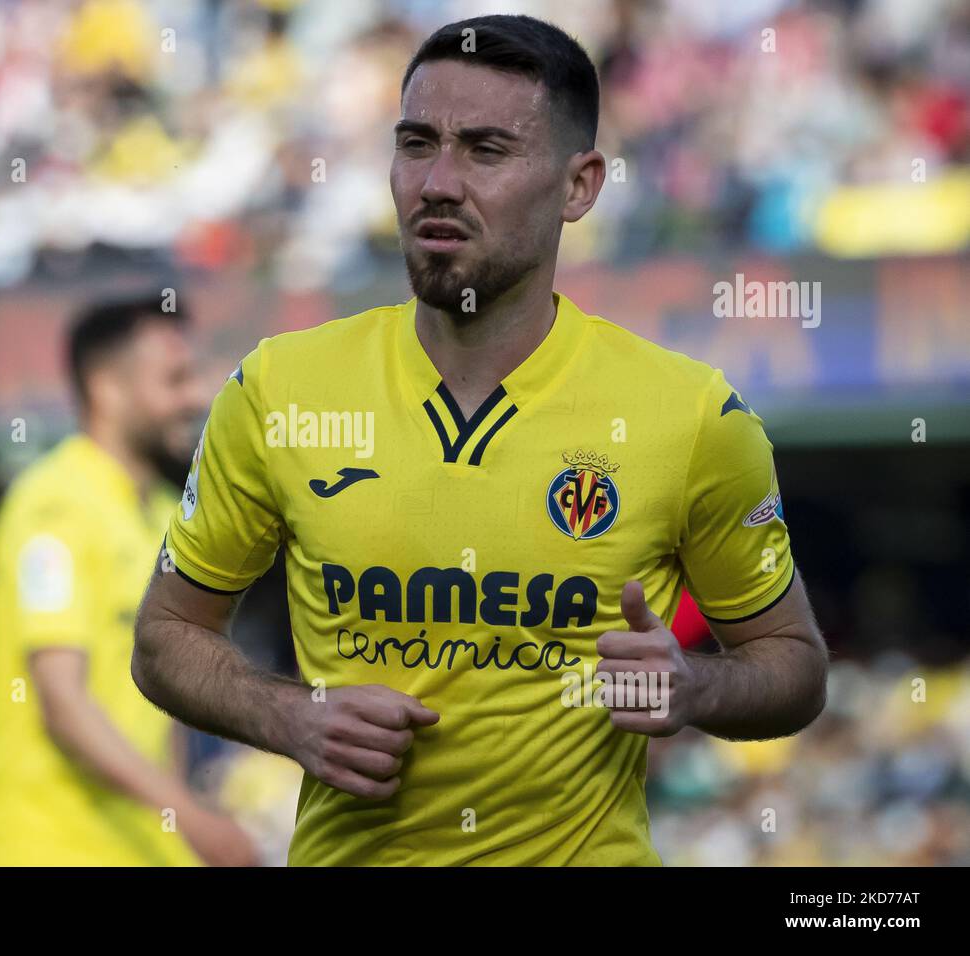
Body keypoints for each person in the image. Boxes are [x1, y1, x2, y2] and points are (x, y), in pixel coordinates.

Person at [132, 15, 828, 866]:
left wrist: (697, 685)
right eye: (416, 144)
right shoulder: (280, 390)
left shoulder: (690, 417)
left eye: (487, 151)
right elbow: (166, 637)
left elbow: (793, 665)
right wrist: (290, 716)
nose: (437, 182)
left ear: (580, 186)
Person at [0, 292, 257, 867]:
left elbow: (170, 696)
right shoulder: (53, 505)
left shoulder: (171, 515)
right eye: (174, 379)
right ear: (105, 387)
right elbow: (61, 701)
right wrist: (193, 818)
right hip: (44, 850)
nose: (196, 397)